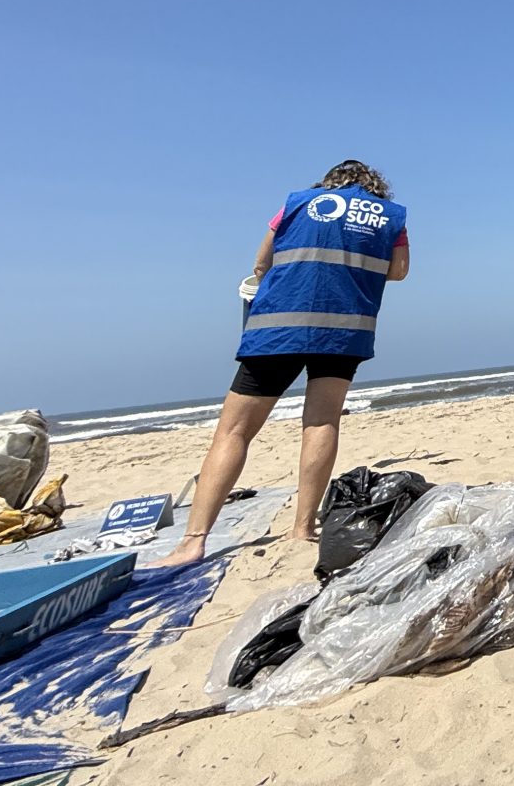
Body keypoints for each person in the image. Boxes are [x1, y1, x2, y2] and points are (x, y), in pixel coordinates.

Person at [148, 161, 408, 568]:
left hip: (277, 328)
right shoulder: (389, 217)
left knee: (234, 431)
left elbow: (261, 261)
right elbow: (399, 271)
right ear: (374, 186)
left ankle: (193, 542)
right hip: (342, 331)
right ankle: (303, 527)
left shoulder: (296, 205)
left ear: (329, 182)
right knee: (321, 422)